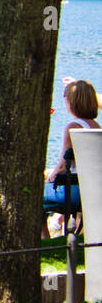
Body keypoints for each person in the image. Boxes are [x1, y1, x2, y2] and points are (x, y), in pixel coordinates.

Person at [43, 78, 99, 235]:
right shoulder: (95, 126)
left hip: (74, 191)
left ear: (72, 102)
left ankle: (44, 240)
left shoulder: (73, 127)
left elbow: (62, 164)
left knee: (33, 196)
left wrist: (50, 179)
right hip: (90, 189)